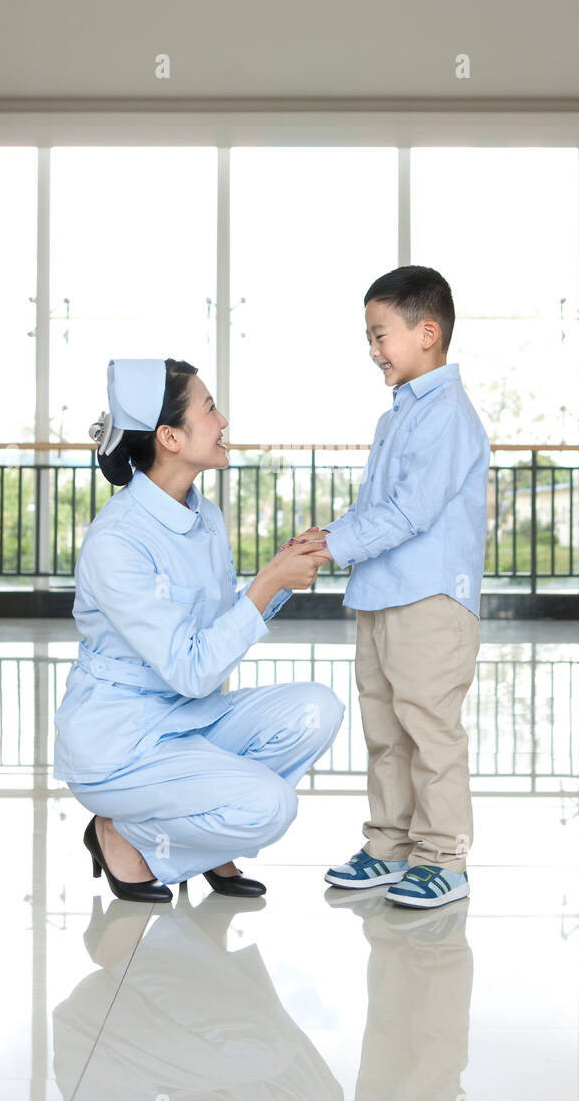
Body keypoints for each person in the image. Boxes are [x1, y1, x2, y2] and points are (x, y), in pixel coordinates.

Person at [53, 356, 342, 903]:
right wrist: (266, 586)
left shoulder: (202, 515)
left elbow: (214, 627)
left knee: (318, 709)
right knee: (271, 807)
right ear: (170, 437)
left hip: (191, 718)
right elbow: (191, 667)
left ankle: (190, 838)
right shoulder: (117, 541)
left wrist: (277, 576)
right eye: (209, 408)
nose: (223, 420)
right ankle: (117, 830)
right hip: (124, 743)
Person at [283, 267, 490, 909]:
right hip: (380, 595)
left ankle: (442, 856)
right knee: (385, 729)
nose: (373, 349)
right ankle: (390, 844)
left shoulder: (447, 414)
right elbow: (382, 504)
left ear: (428, 332)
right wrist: (335, 533)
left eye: (381, 335)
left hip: (429, 600)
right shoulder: (399, 414)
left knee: (429, 729)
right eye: (370, 337)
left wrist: (335, 546)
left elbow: (410, 514)